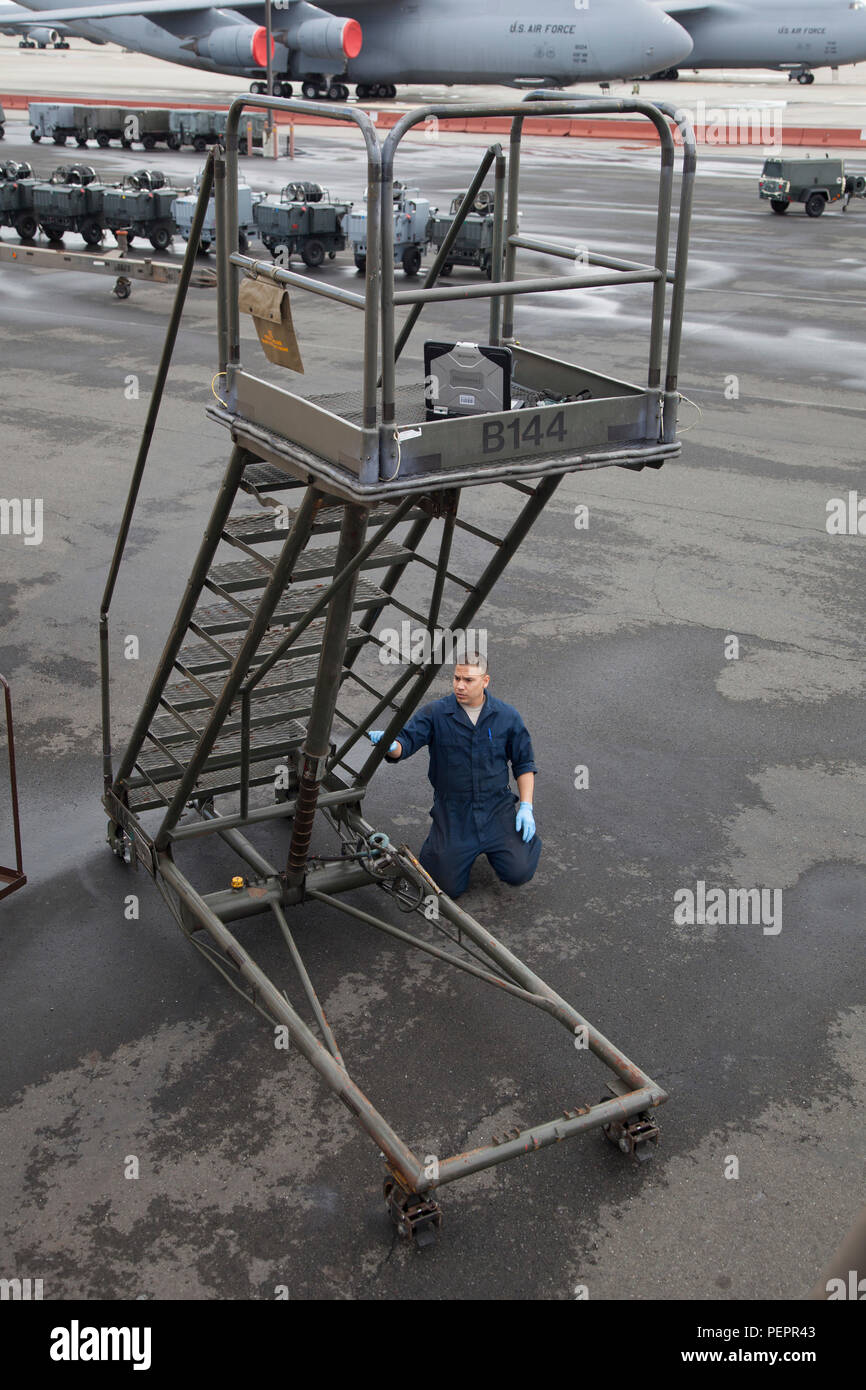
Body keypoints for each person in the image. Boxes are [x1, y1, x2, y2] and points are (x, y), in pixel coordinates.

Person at [367, 653, 540, 899]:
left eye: (468, 680)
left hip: (496, 808)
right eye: (457, 678)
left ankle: (503, 845)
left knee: (519, 872)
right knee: (445, 886)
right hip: (454, 811)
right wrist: (390, 744)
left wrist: (526, 807)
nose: (460, 685)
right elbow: (405, 743)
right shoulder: (435, 713)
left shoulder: (507, 716)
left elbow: (524, 763)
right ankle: (443, 847)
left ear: (485, 681)